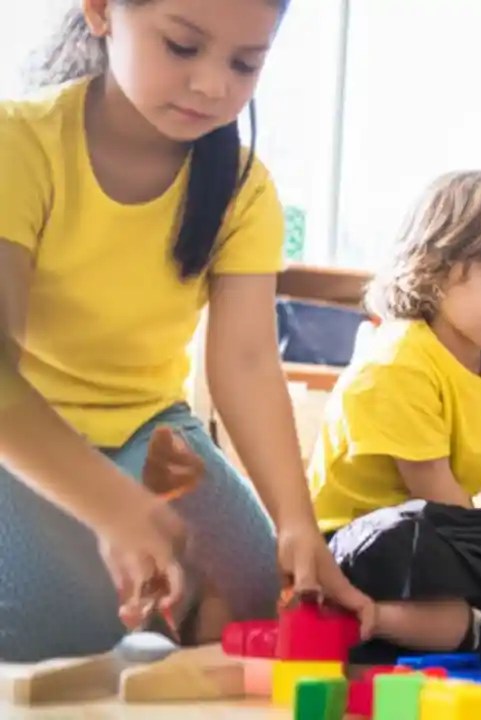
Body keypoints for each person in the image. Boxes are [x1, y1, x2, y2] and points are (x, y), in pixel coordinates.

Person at [0, 0, 371, 662]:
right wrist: (113, 506)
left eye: (245, 63)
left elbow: (249, 362)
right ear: (100, 12)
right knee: (50, 631)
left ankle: (164, 613)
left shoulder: (243, 189)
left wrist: (297, 522)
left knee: (265, 599)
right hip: (27, 438)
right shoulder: (20, 144)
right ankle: (152, 612)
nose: (212, 85)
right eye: (181, 47)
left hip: (150, 432)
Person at [309, 169, 481, 655]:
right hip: (360, 546)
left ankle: (468, 626)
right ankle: (373, 615)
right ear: (433, 267)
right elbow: (442, 504)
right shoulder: (399, 360)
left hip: (449, 545)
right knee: (422, 530)